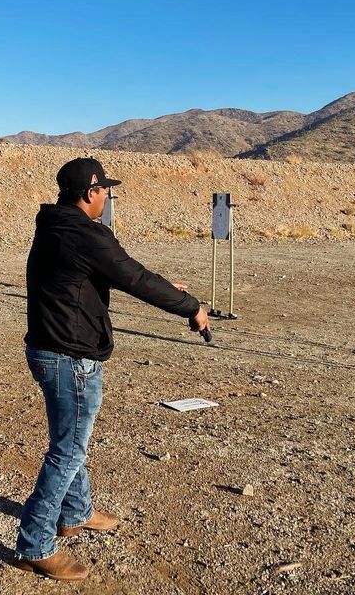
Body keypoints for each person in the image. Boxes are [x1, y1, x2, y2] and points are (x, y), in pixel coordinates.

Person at [14, 157, 210, 581]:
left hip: (51, 348)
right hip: (69, 355)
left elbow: (115, 273)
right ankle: (35, 543)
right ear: (91, 193)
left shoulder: (56, 225)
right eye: (105, 191)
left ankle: (76, 511)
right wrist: (191, 307)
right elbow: (133, 277)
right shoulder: (85, 232)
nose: (107, 198)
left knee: (71, 439)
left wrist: (162, 286)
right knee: (68, 450)